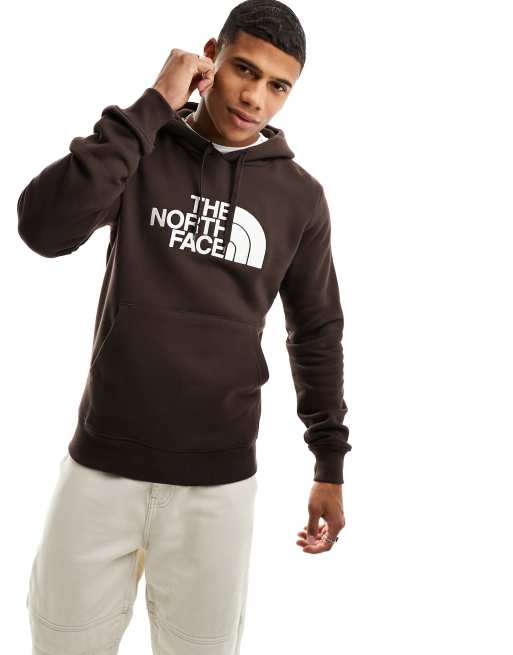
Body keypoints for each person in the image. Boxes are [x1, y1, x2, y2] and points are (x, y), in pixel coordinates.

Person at [17, 1, 352, 653]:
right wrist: (152, 106)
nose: (255, 97)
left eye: (278, 86)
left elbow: (316, 331)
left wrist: (328, 462)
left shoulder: (299, 197)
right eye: (244, 70)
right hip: (101, 466)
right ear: (211, 57)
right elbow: (43, 227)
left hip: (216, 485)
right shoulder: (142, 149)